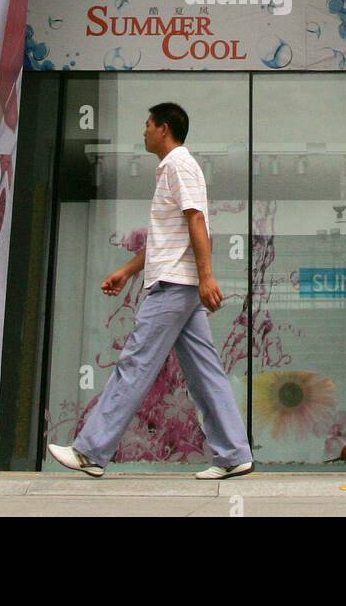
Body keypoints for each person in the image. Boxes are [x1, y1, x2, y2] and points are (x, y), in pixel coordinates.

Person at [48, 102, 254, 480]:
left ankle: (90, 451)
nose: (142, 132)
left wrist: (207, 276)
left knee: (135, 363)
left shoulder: (179, 165)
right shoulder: (171, 169)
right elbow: (168, 238)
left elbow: (197, 220)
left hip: (175, 286)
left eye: (146, 125)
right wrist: (126, 271)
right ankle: (234, 453)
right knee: (205, 373)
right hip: (180, 283)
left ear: (163, 129)